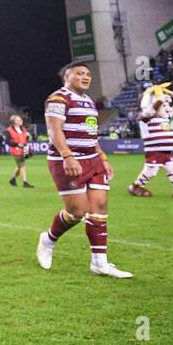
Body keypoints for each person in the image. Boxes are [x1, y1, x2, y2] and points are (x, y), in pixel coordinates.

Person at [36, 62, 134, 278]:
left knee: (99, 206)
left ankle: (99, 263)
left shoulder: (90, 102)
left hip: (93, 160)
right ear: (66, 77)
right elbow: (54, 130)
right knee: (77, 212)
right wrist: (68, 156)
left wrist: (103, 157)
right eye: (80, 73)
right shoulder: (58, 99)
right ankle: (48, 239)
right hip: (68, 161)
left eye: (88, 74)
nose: (86, 77)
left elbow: (91, 134)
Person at [128, 82, 173, 197]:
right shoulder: (149, 117)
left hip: (167, 151)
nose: (167, 108)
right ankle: (135, 186)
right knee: (151, 171)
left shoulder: (165, 118)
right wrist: (159, 102)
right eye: (164, 105)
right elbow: (147, 112)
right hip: (154, 150)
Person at [6, 114, 33, 188]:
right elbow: (7, 142)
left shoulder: (23, 128)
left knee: (19, 166)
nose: (21, 121)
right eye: (18, 120)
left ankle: (13, 179)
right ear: (14, 122)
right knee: (22, 165)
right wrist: (17, 144)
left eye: (20, 120)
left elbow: (25, 139)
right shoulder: (9, 130)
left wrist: (27, 137)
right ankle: (25, 182)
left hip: (23, 149)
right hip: (16, 150)